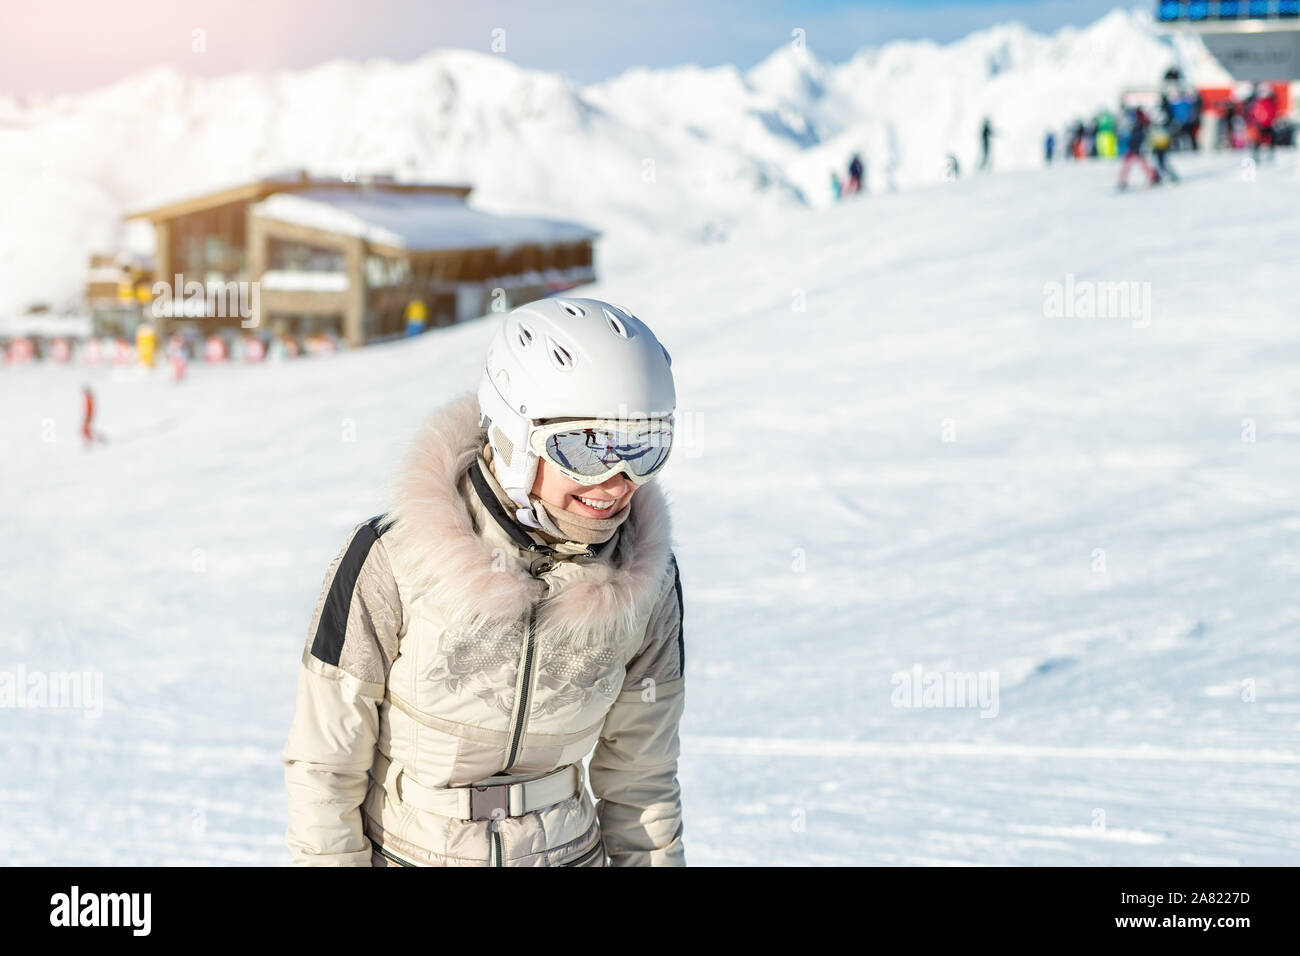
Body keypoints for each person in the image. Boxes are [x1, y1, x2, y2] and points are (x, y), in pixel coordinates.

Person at [281, 296, 687, 867]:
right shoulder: (393, 557)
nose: (619, 482)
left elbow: (641, 776)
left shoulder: (645, 577)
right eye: (588, 448)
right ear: (517, 437)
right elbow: (326, 764)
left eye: (644, 449)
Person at [1118, 107, 1158, 190]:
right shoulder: (1138, 126)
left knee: (1132, 165)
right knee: (1136, 165)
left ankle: (1153, 177)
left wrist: (1135, 148)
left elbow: (1137, 139)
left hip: (1135, 149)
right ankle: (1153, 177)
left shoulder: (1139, 127)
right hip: (1134, 149)